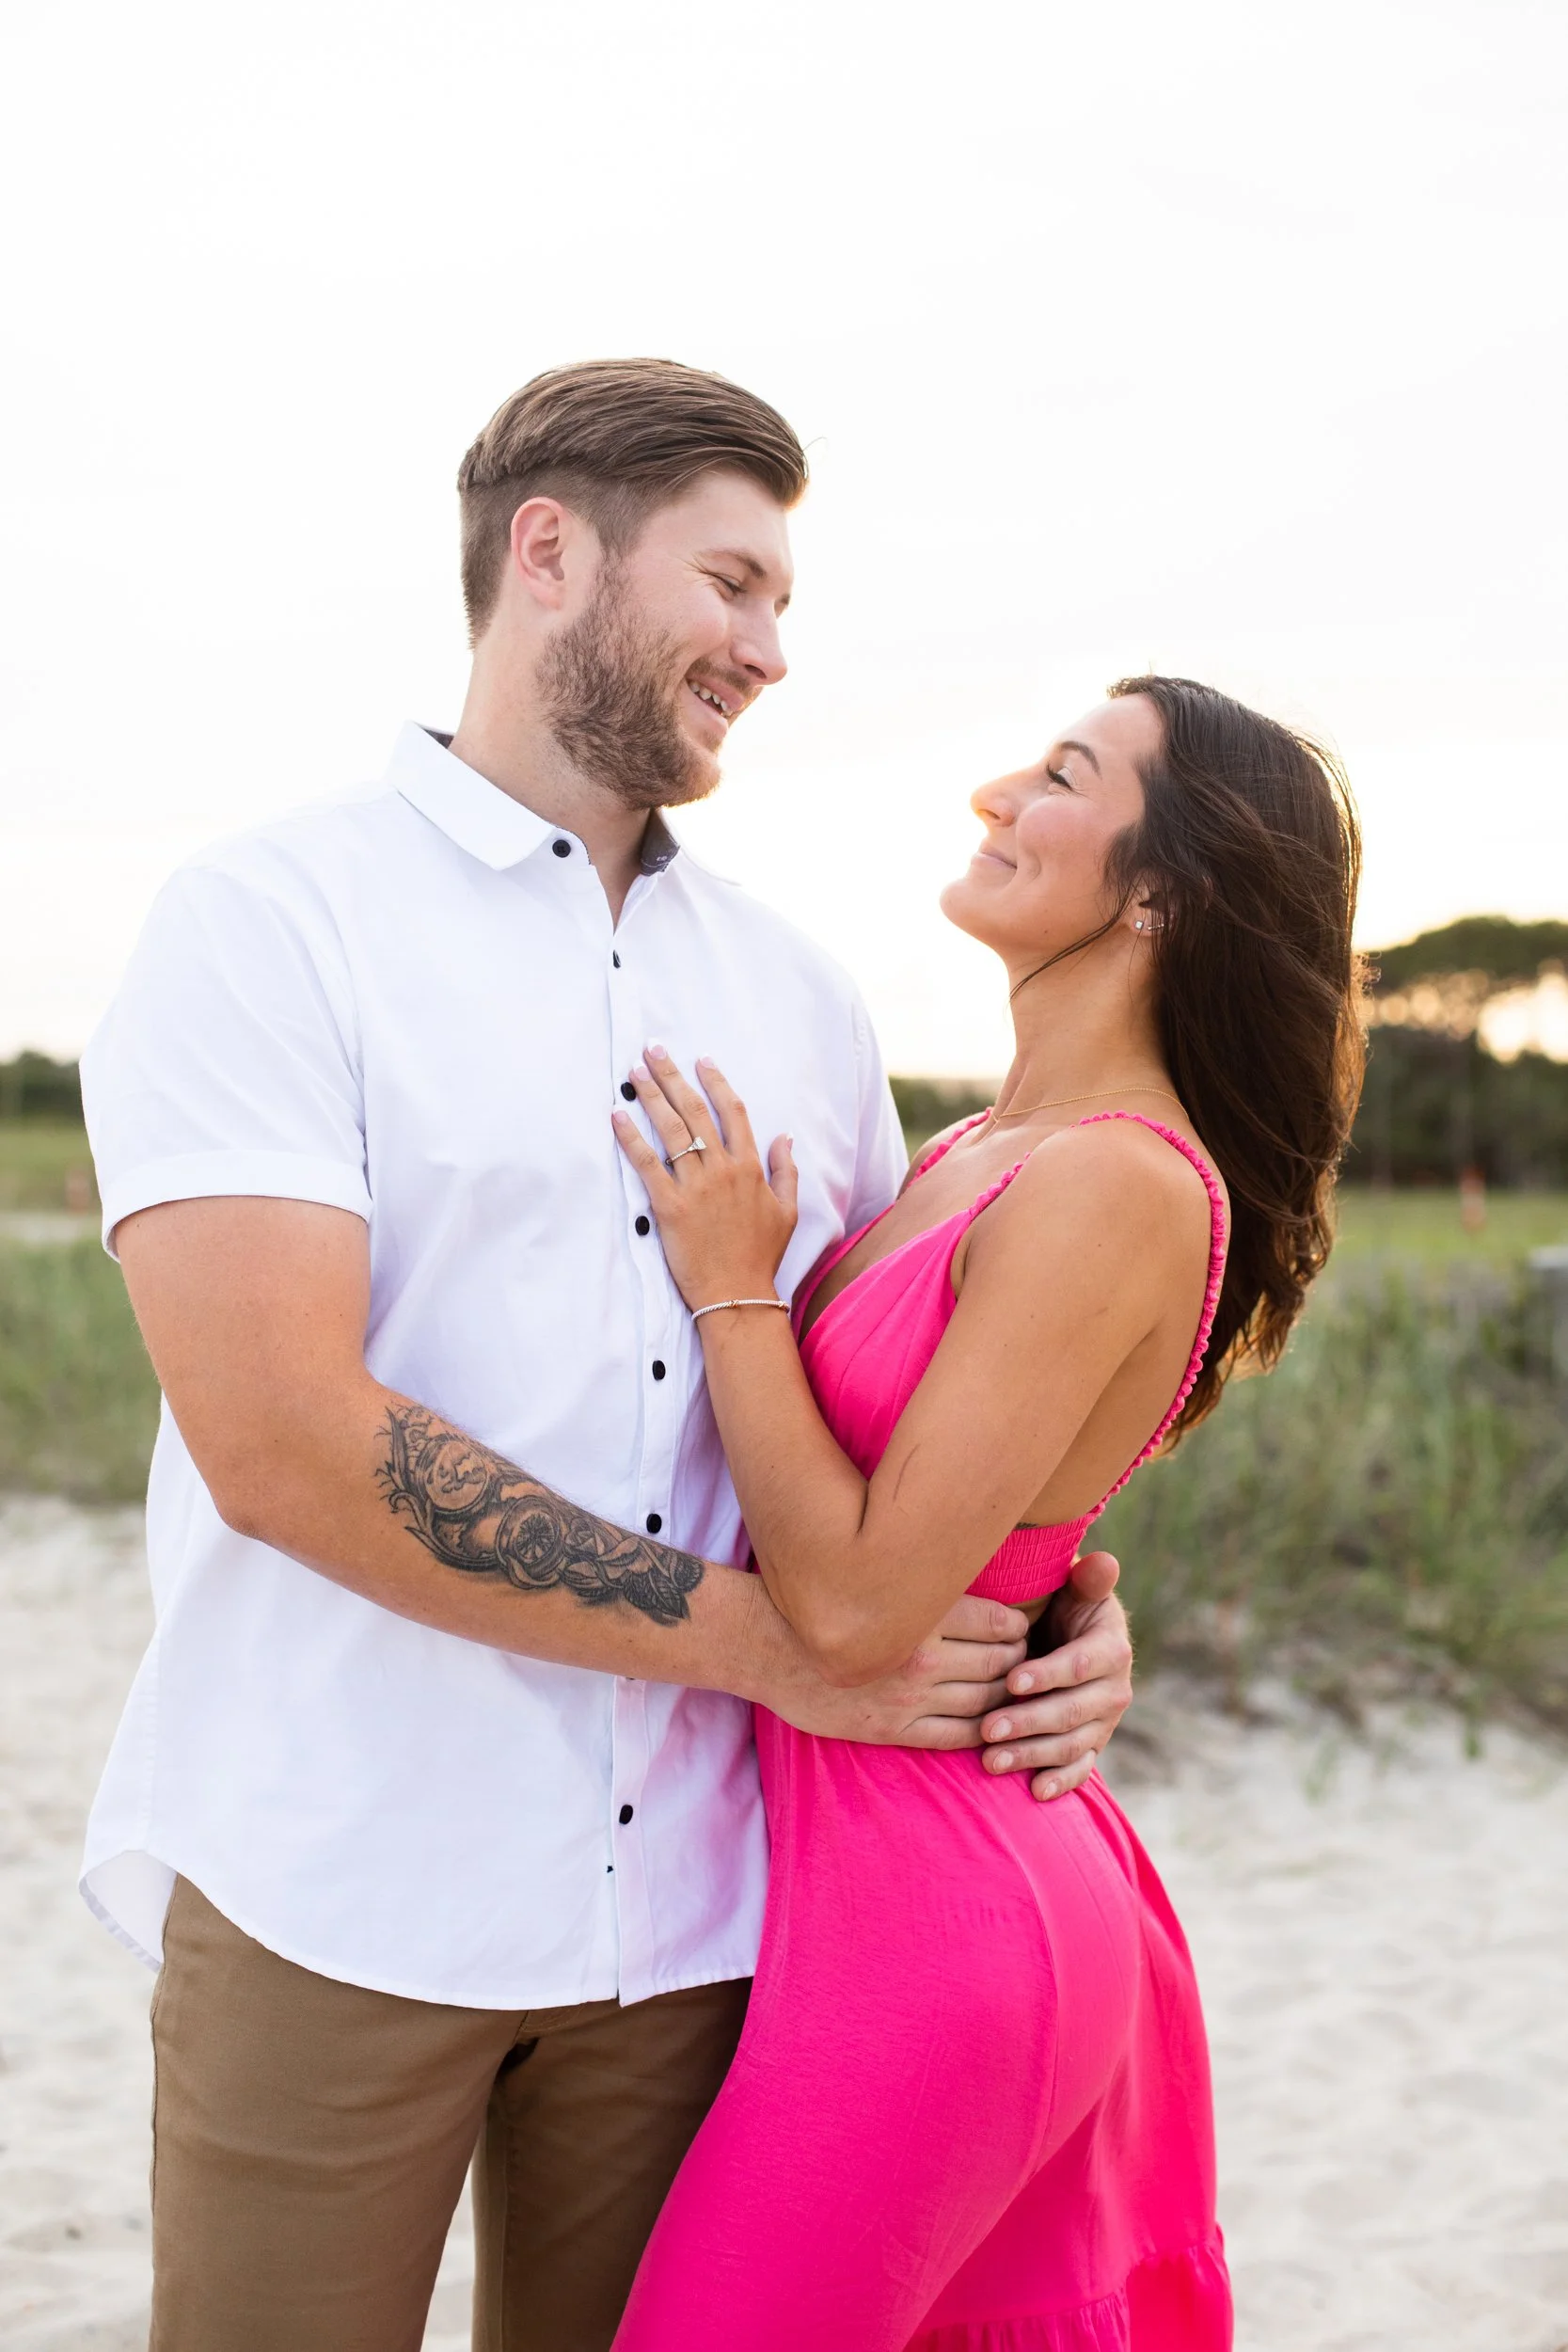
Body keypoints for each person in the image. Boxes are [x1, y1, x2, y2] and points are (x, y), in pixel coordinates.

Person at [77, 358, 1136, 2352]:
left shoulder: (800, 995)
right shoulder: (267, 922)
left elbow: (893, 1402)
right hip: (339, 1881)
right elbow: (288, 1441)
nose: (767, 648)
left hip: (705, 1931)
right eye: (732, 585)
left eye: (783, 608)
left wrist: (1062, 1606)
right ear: (547, 553)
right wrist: (775, 1645)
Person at [608, 675, 1365, 2350]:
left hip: (940, 1925)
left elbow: (865, 1613)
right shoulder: (976, 1148)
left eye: (1063, 775)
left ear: (1162, 893)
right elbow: (995, 1512)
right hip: (862, 1885)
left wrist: (732, 1288)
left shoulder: (1115, 1179)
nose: (993, 793)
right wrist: (1078, 1601)